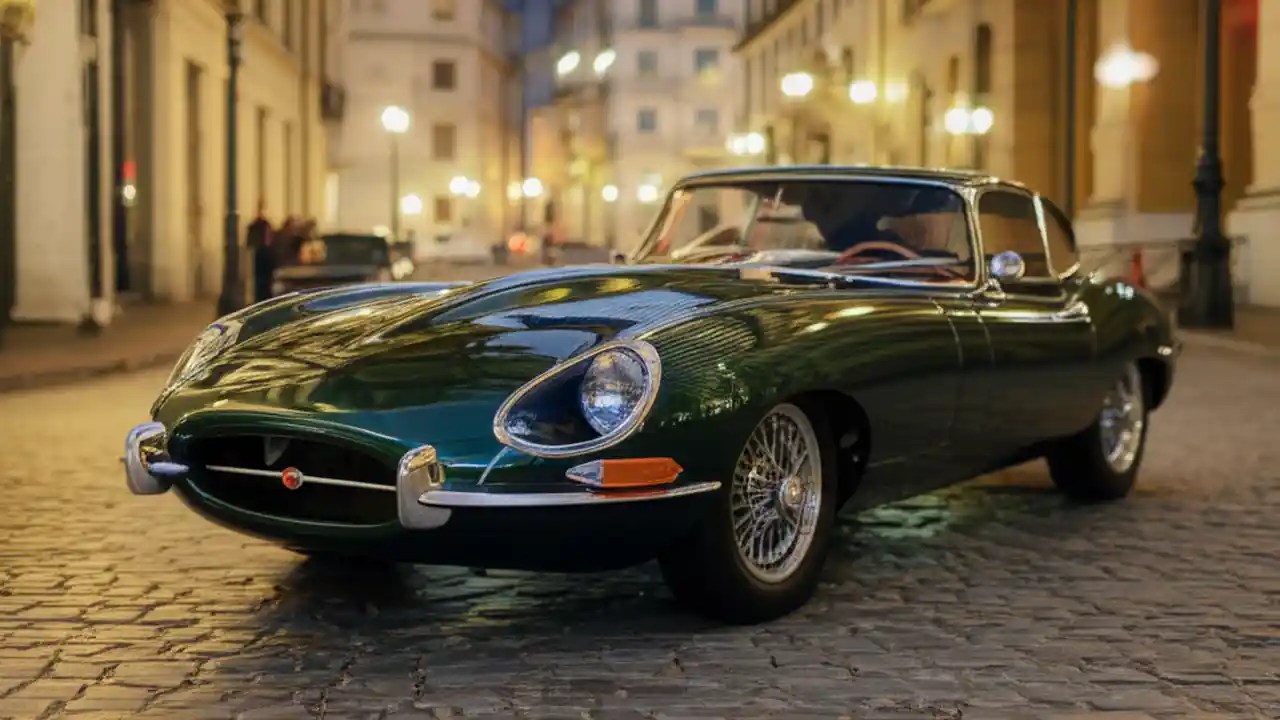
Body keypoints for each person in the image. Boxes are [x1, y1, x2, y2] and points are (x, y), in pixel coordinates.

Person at [245, 201, 274, 303]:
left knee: (266, 280)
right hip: (259, 254)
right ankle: (260, 298)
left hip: (267, 254)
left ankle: (265, 297)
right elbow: (250, 241)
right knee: (259, 280)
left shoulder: (267, 224)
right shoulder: (255, 225)